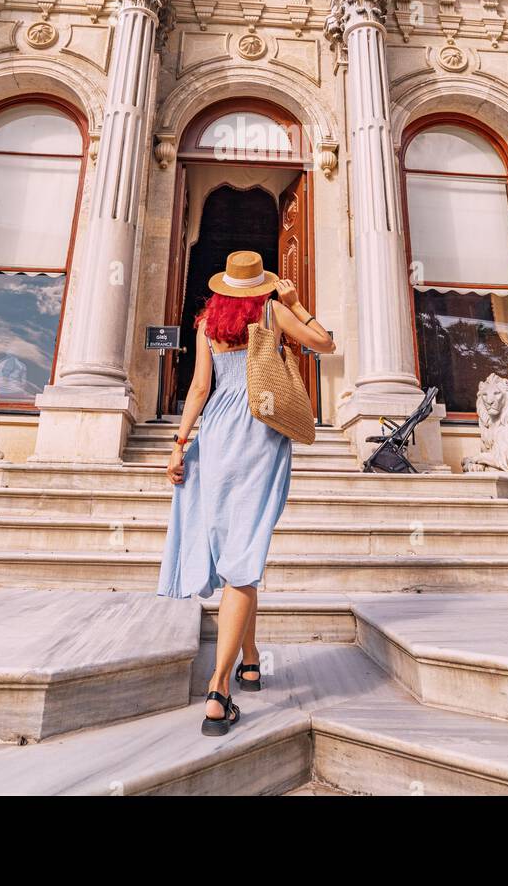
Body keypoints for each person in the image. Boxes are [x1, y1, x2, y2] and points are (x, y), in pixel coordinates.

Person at [157, 249, 335, 735]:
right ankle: (219, 690)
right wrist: (296, 304)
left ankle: (250, 660)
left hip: (216, 435)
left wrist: (178, 446)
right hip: (260, 431)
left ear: (223, 287)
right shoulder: (273, 311)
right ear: (262, 286)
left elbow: (198, 388)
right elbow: (325, 344)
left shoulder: (206, 321)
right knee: (245, 558)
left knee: (240, 554)